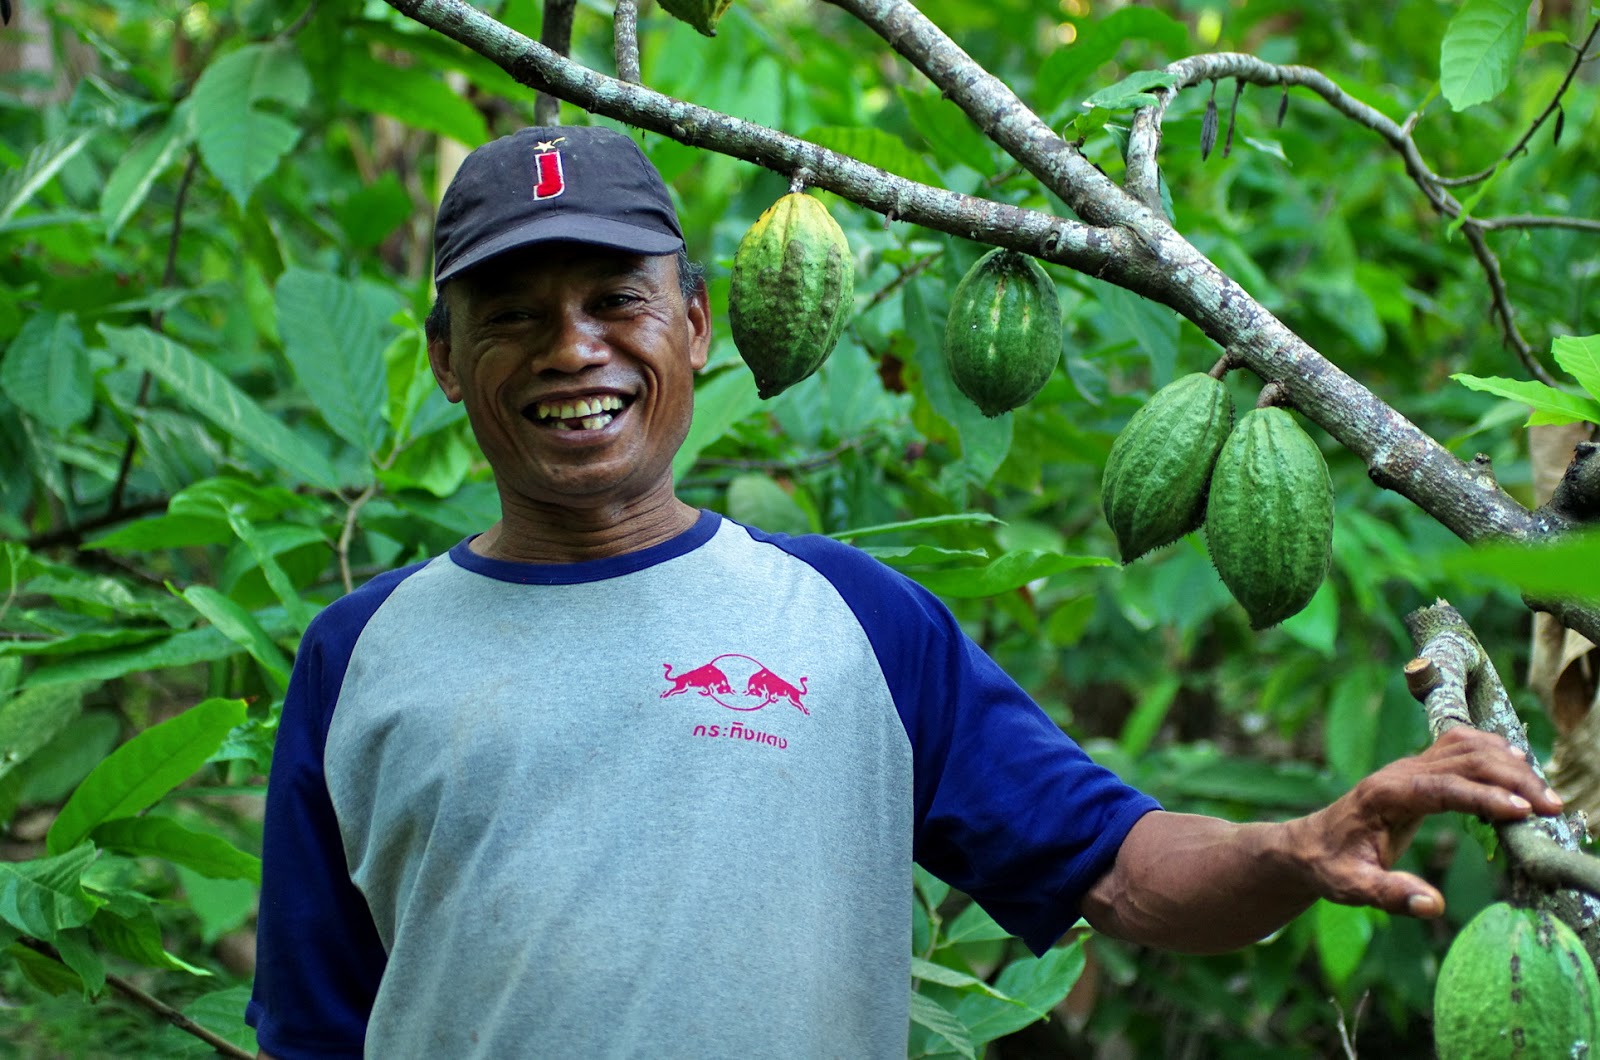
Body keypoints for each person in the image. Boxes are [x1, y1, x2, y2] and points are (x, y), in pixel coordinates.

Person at [246, 125, 1562, 1059]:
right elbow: (315, 1029)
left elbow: (1123, 873)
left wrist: (1296, 847)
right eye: (514, 313)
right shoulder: (359, 655)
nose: (571, 347)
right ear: (443, 360)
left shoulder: (857, 623)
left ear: (697, 328)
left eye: (612, 300)